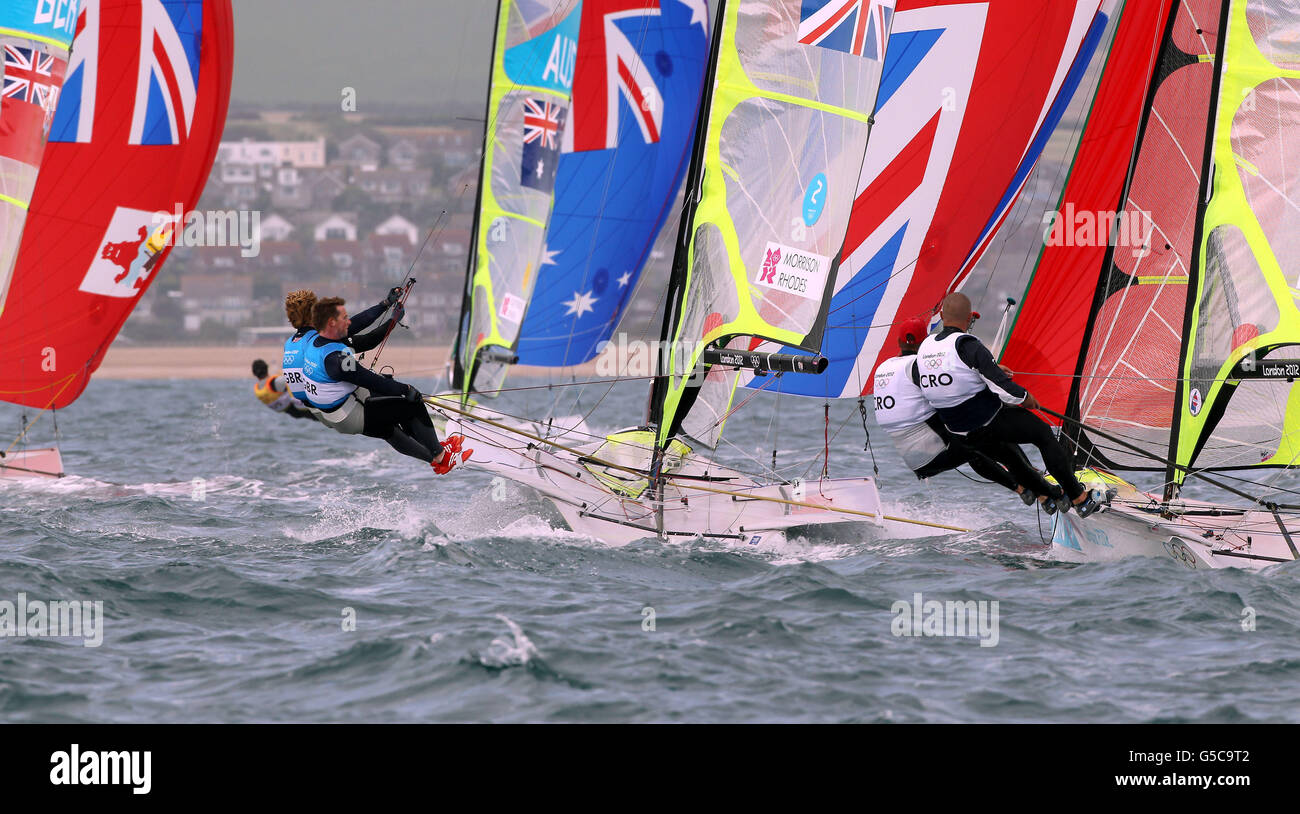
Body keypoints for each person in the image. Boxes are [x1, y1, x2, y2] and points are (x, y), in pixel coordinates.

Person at [913, 292, 1108, 517]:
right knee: (1042, 434)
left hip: (960, 432)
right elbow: (1004, 389)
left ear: (941, 316)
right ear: (968, 319)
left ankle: (1052, 497)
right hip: (987, 421)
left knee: (1010, 458)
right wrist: (1026, 398)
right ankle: (1078, 497)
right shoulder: (967, 345)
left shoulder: (925, 348)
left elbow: (941, 381)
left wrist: (989, 370)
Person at [874, 316, 1059, 513]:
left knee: (974, 444)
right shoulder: (918, 365)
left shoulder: (883, 368)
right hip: (937, 451)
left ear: (899, 342)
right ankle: (1040, 488)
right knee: (988, 430)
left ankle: (1023, 488)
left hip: (916, 462)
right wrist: (990, 373)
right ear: (925, 341)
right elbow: (952, 385)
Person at [302, 296, 471, 473]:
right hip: (350, 414)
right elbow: (369, 379)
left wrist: (384, 305)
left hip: (334, 412)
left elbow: (359, 323)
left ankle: (435, 455)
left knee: (389, 422)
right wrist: (406, 389)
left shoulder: (316, 340)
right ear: (331, 323)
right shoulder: (336, 359)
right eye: (344, 318)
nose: (349, 321)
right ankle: (441, 457)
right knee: (410, 404)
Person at [281, 286, 405, 404]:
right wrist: (392, 320)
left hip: (312, 404)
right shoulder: (320, 338)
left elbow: (357, 324)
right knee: (386, 385)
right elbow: (367, 337)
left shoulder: (290, 344)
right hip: (339, 404)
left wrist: (385, 304)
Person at [251, 359, 318, 421]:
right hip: (305, 408)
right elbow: (292, 379)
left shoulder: (258, 390)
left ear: (254, 374)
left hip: (294, 413)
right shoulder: (275, 382)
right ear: (267, 368)